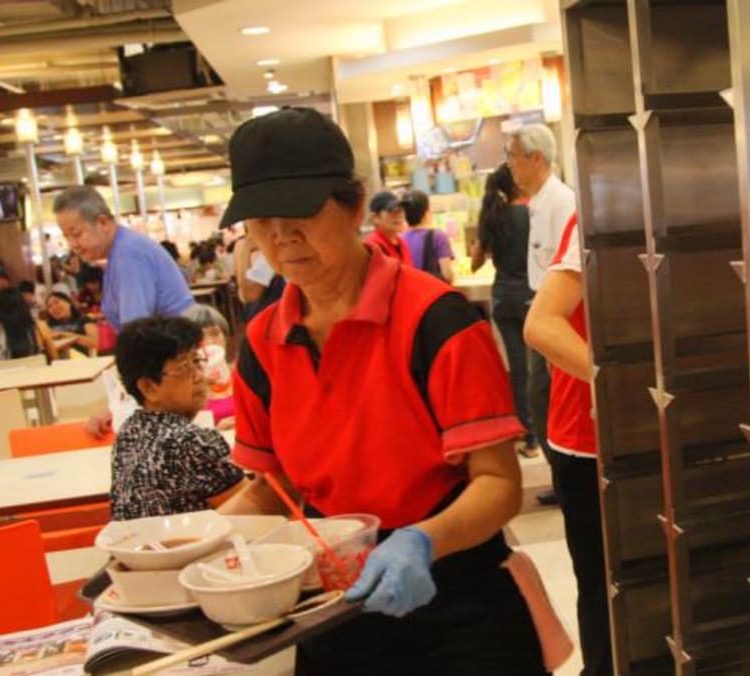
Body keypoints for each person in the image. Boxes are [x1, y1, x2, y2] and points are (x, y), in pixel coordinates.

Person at [216, 107, 545, 674]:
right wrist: (206, 541)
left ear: (352, 203)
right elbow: (276, 483)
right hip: (332, 607)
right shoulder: (264, 342)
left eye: (300, 211)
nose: (281, 236)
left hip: (455, 599)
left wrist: (422, 540)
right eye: (260, 218)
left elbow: (497, 482)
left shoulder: (436, 320)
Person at [524, 213, 611, 676]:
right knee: (606, 596)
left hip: (668, 436)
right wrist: (618, 387)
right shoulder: (599, 211)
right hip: (589, 442)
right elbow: (541, 325)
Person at [109, 316, 245, 520]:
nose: (200, 376)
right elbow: (254, 513)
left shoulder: (128, 431)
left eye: (197, 361)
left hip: (137, 549)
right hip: (192, 550)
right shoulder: (191, 440)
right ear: (148, 387)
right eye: (183, 368)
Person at [506, 123, 577, 506]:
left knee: (544, 394)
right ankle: (561, 475)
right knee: (540, 397)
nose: (510, 166)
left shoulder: (562, 201)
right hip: (541, 305)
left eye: (513, 156)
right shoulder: (539, 200)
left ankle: (565, 476)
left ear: (536, 158)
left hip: (555, 313)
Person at [53, 186, 193, 333]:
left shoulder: (129, 255)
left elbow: (135, 330)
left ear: (103, 223)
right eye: (66, 237)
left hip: (175, 347)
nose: (72, 245)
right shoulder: (119, 252)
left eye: (76, 234)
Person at [471, 164, 538, 457]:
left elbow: (475, 262)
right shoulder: (529, 213)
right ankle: (543, 431)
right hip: (530, 298)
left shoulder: (492, 217)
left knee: (517, 369)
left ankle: (529, 436)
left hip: (502, 299)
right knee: (538, 370)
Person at [185, 303, 235, 428]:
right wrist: (215, 431)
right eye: (200, 337)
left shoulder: (244, 372)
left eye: (215, 333)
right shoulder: (183, 386)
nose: (209, 342)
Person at [401, 190, 455, 283]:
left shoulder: (399, 239)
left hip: (410, 293)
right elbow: (447, 276)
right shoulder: (438, 236)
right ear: (426, 213)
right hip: (432, 293)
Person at [0, 288, 57, 362]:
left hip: (10, 372)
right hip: (39, 371)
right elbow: (53, 358)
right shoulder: (39, 326)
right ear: (23, 305)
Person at [363, 191, 412, 264]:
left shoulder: (402, 244)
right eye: (391, 210)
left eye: (400, 209)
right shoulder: (372, 247)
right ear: (375, 217)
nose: (398, 215)